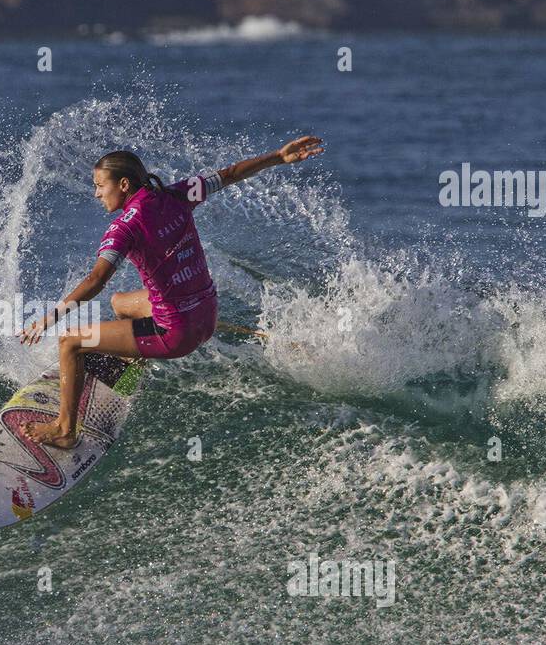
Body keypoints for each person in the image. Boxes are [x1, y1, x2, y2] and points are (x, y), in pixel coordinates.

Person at [18, 137, 324, 448]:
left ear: (123, 184)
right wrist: (277, 156)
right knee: (120, 303)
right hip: (206, 314)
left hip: (175, 333)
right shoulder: (176, 195)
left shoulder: (124, 227)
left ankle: (64, 430)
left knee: (70, 341)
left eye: (100, 185)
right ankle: (127, 370)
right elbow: (230, 174)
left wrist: (49, 318)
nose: (96, 193)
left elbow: (96, 279)